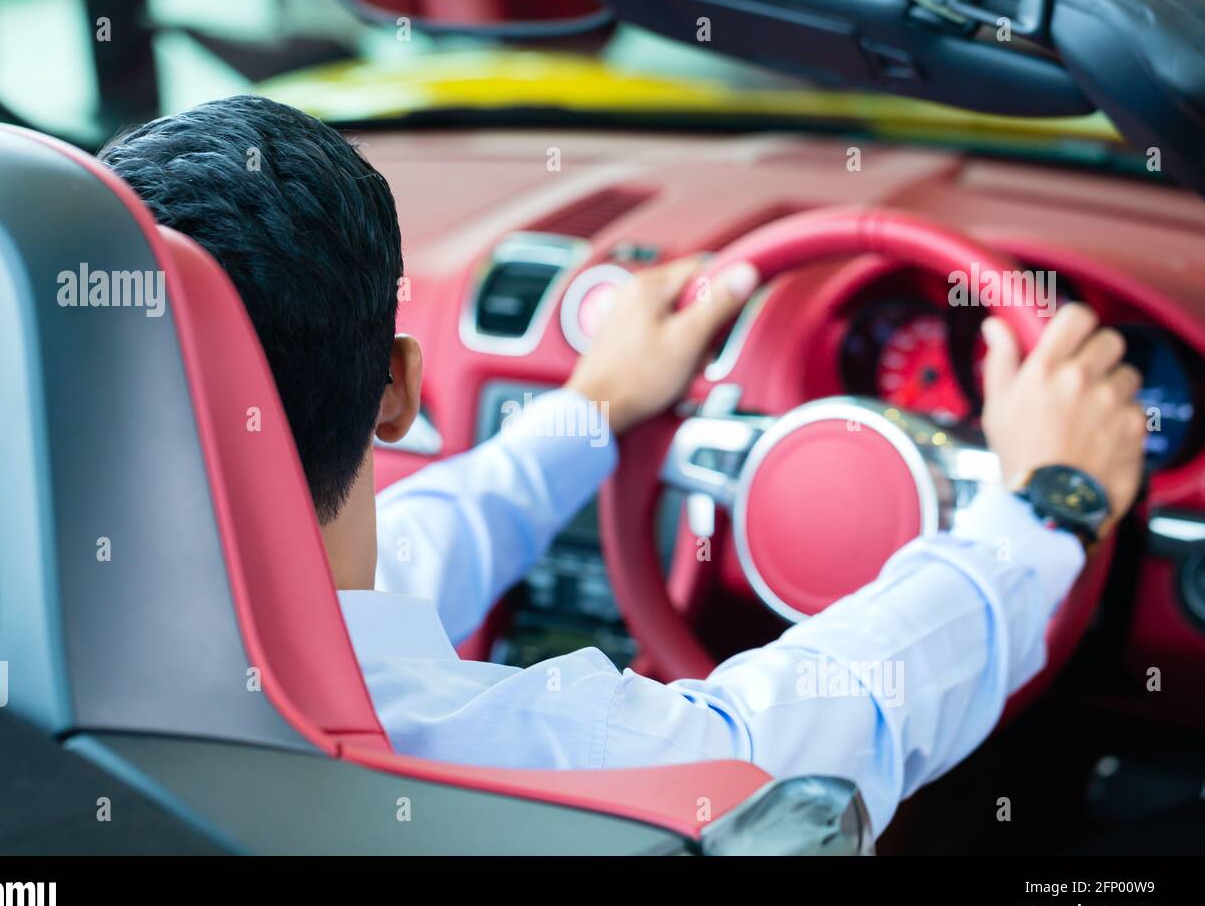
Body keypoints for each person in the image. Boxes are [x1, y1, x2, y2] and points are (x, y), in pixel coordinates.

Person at [101, 95, 1145, 835]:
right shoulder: (543, 768)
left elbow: (382, 573)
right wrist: (1050, 502)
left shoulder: (71, 640)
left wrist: (592, 408)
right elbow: (786, 740)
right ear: (399, 389)